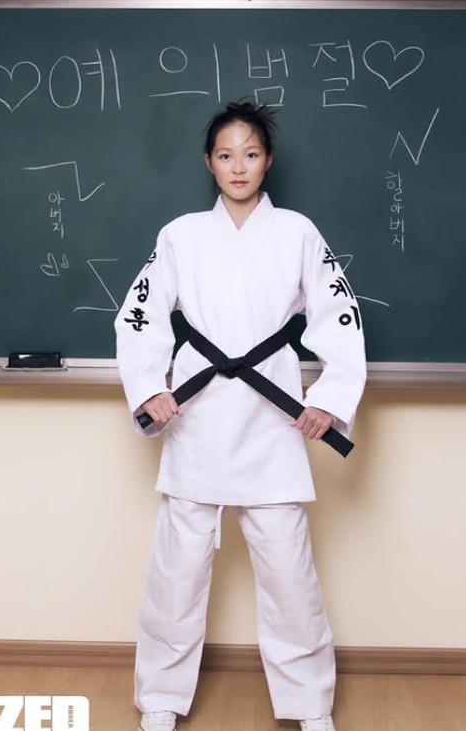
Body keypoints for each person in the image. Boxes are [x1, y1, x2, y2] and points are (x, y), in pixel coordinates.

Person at [114, 101, 367, 731]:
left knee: (289, 571)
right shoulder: (181, 236)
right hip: (197, 410)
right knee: (177, 569)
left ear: (268, 161)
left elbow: (340, 318)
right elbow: (139, 317)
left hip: (270, 411)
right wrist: (148, 388)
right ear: (209, 163)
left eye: (250, 154)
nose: (238, 166)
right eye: (226, 155)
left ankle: (309, 703)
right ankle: (161, 697)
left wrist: (330, 398)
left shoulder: (298, 233)